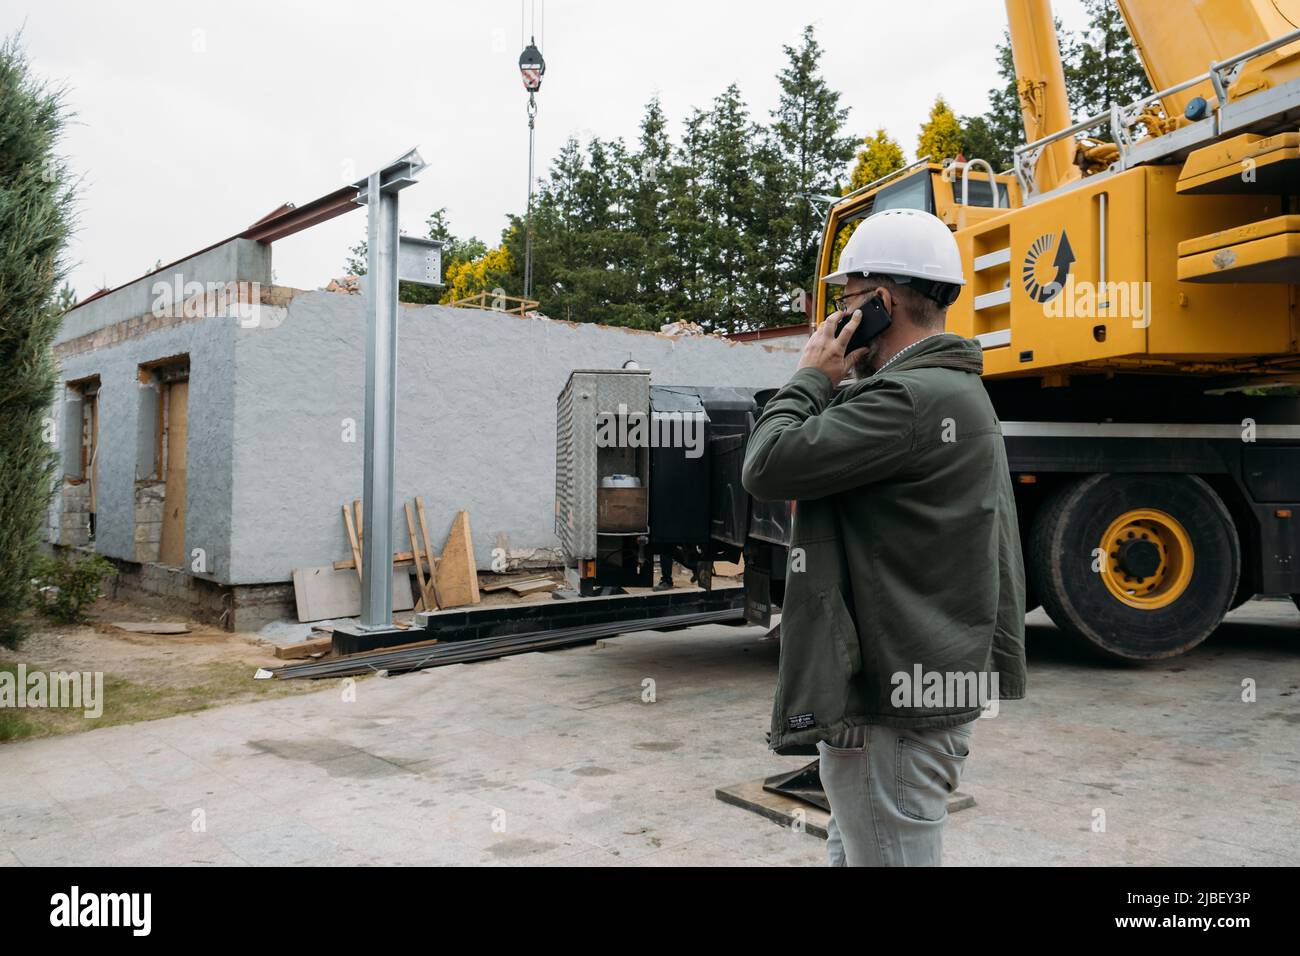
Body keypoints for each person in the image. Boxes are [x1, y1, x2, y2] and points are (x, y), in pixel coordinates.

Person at [741, 208, 1027, 866]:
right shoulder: (949, 389)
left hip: (895, 703)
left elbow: (766, 464)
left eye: (843, 304)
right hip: (909, 689)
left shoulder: (908, 399)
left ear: (880, 302)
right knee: (862, 847)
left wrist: (812, 374)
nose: (830, 323)